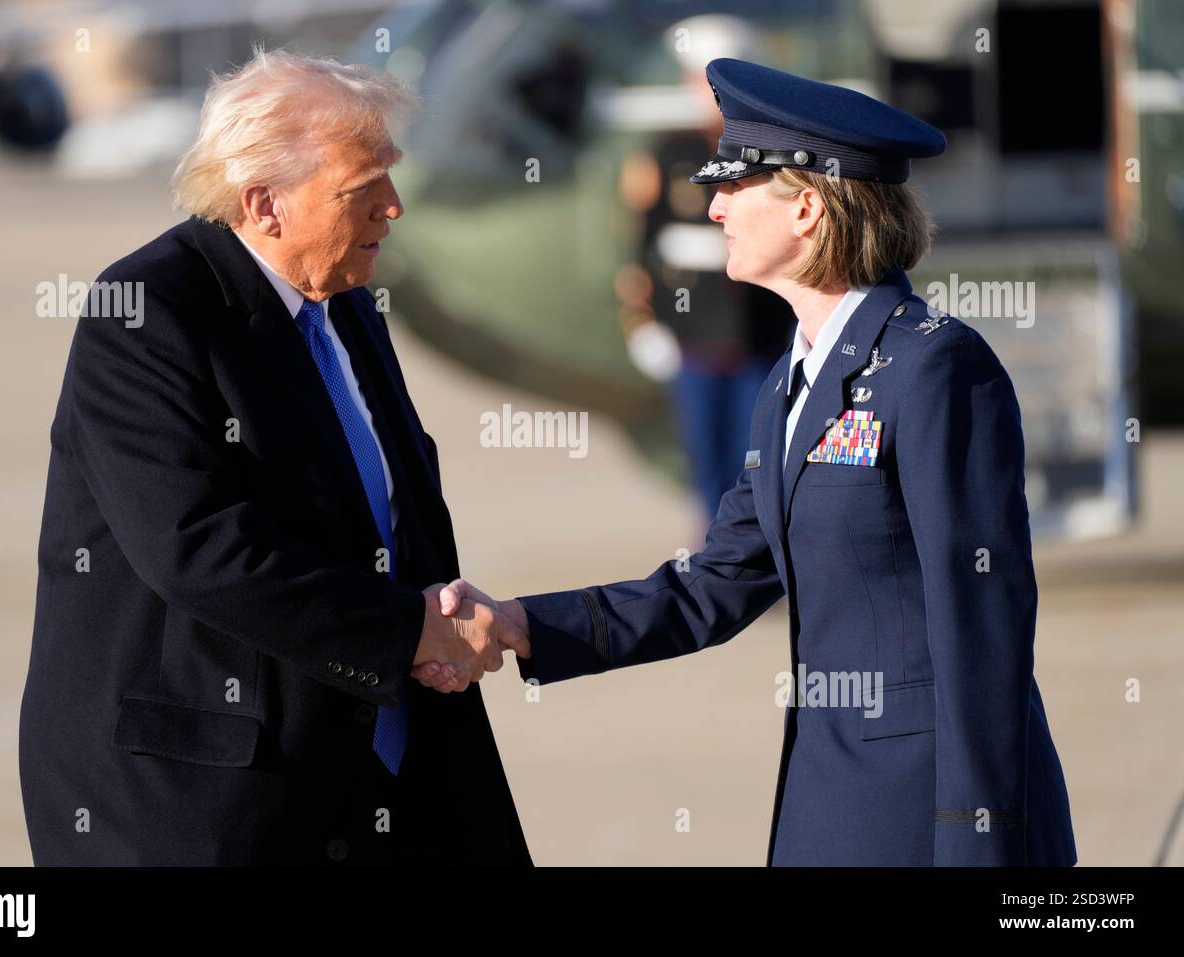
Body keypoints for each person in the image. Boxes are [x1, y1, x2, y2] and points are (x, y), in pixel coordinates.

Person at [415, 58, 1079, 867]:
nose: (715, 204)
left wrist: (981, 846)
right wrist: (520, 624)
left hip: (926, 809)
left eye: (736, 186)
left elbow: (983, 627)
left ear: (806, 206)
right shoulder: (789, 381)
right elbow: (713, 584)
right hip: (827, 801)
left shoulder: (936, 368)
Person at [19, 47, 530, 866]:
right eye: (364, 190)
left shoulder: (345, 300)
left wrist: (441, 637)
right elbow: (200, 550)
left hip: (384, 772)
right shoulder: (148, 315)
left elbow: (396, 508)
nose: (393, 209)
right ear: (265, 205)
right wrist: (412, 632)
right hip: (210, 799)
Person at [616, 15, 795, 522]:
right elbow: (640, 250)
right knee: (705, 460)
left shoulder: (773, 155)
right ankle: (718, 562)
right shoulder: (667, 155)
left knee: (760, 455)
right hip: (691, 330)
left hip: (761, 331)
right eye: (698, 82)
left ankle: (765, 558)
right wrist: (642, 321)